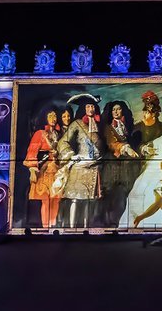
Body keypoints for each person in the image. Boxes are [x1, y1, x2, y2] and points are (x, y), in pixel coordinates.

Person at [57, 94, 104, 228]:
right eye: (88, 106)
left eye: (92, 106)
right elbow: (63, 142)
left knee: (89, 201)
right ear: (84, 108)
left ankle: (85, 229)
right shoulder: (76, 124)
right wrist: (72, 155)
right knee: (75, 200)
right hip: (79, 166)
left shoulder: (99, 125)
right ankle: (72, 229)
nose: (90, 109)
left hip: (93, 167)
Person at [23, 107, 63, 228]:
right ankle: (46, 227)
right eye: (50, 116)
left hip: (57, 170)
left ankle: (53, 226)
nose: (53, 119)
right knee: (45, 200)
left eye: (55, 116)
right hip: (44, 172)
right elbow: (32, 152)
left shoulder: (58, 134)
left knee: (56, 200)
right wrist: (32, 170)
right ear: (45, 118)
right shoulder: (39, 134)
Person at [101, 101, 139, 227]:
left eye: (118, 109)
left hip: (125, 166)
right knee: (110, 195)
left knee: (122, 196)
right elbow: (111, 143)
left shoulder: (127, 126)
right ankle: (108, 223)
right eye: (114, 110)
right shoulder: (108, 127)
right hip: (112, 165)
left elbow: (133, 142)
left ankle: (119, 223)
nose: (116, 112)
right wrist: (125, 148)